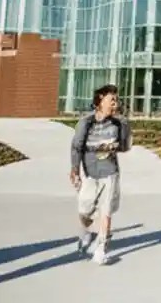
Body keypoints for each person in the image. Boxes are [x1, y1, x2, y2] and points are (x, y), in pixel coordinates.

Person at [70, 84, 131, 266]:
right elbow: (76, 147)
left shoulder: (119, 122)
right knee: (84, 210)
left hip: (110, 172)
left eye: (116, 100)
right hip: (89, 173)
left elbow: (125, 147)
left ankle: (101, 249)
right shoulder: (86, 122)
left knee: (106, 211)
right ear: (100, 101)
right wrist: (75, 170)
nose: (115, 103)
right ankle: (88, 233)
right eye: (111, 100)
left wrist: (124, 126)